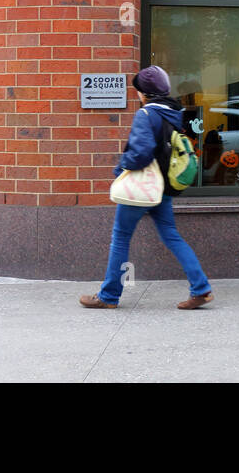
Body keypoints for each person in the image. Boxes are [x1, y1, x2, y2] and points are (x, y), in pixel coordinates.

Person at [79, 65, 214, 310]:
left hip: (140, 188)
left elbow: (140, 153)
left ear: (145, 93)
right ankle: (201, 288)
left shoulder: (147, 114)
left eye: (138, 91)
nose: (137, 95)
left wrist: (121, 168)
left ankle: (109, 296)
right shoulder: (174, 113)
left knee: (120, 238)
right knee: (172, 236)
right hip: (162, 187)